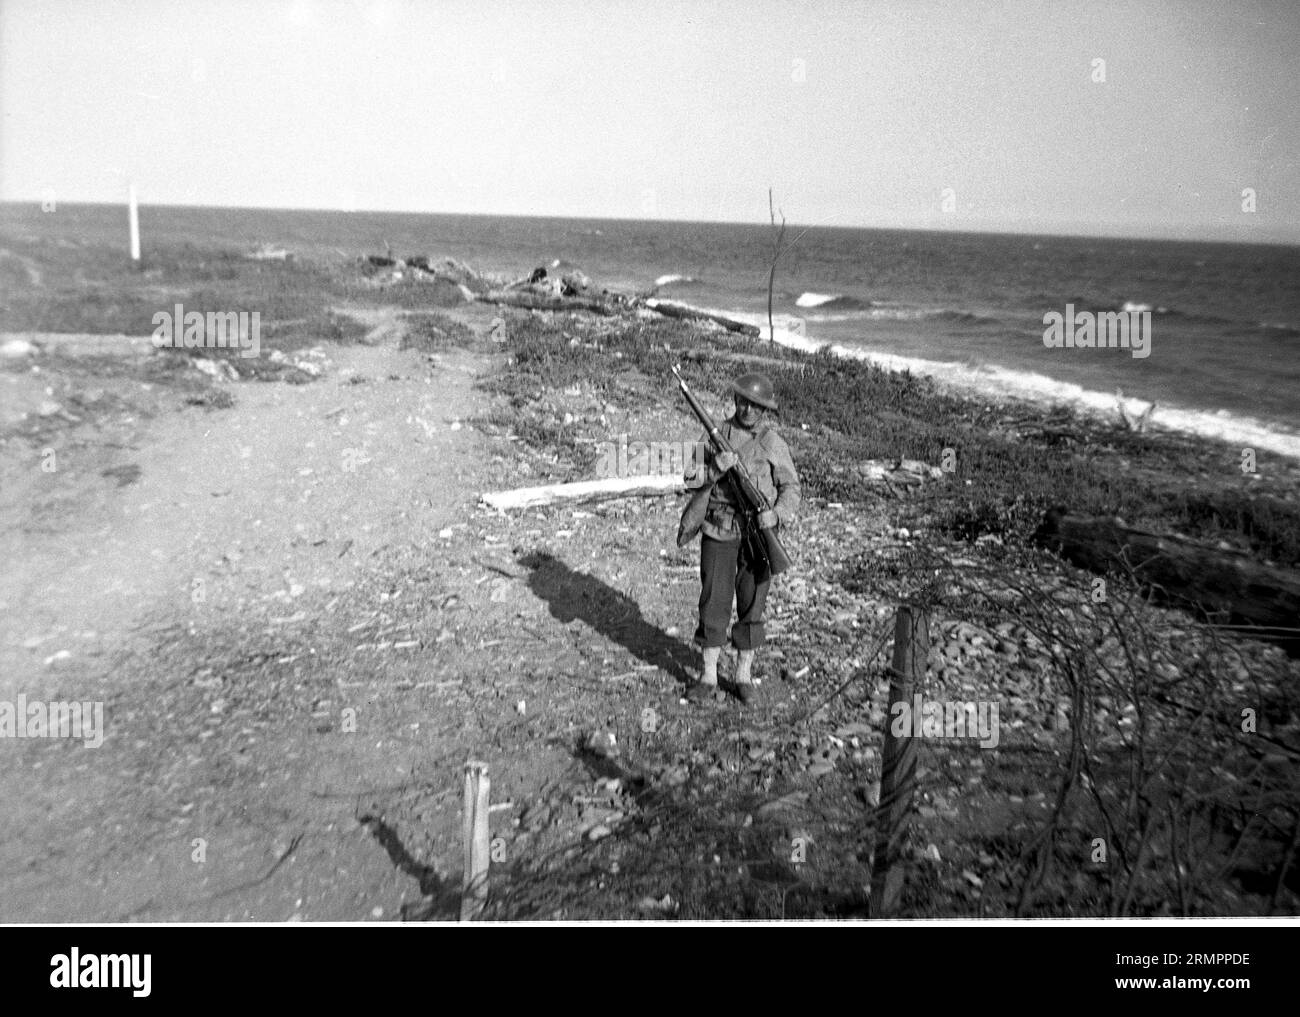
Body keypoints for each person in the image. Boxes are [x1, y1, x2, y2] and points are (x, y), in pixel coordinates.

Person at [679, 373, 800, 705]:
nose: (748, 409)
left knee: (752, 603)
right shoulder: (716, 436)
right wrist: (715, 468)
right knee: (714, 601)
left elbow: (791, 487)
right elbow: (690, 479)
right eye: (743, 401)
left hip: (758, 535)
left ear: (765, 410)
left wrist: (775, 514)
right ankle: (708, 675)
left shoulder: (773, 442)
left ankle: (743, 676)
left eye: (756, 405)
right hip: (719, 529)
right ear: (735, 401)